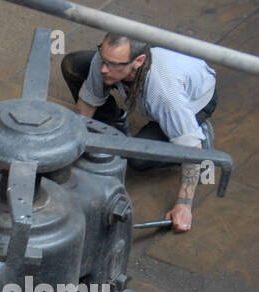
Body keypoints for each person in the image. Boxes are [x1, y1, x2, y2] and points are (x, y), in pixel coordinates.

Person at [61, 34, 217, 233]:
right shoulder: (104, 62)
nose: (103, 69)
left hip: (197, 100)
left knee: (138, 158)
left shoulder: (165, 94)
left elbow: (191, 152)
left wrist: (184, 205)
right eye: (103, 59)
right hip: (157, 93)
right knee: (74, 65)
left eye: (112, 65)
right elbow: (87, 103)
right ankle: (114, 123)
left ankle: (201, 134)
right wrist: (71, 148)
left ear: (138, 61)